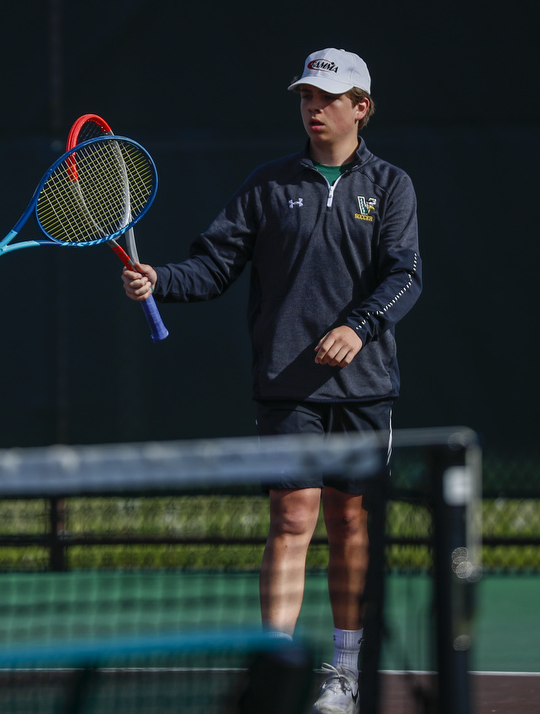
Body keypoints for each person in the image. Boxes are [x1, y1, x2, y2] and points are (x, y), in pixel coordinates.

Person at [121, 49, 421, 714]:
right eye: (307, 96)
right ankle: (274, 671)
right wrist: (161, 281)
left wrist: (359, 327)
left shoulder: (392, 186)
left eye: (329, 97)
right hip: (287, 387)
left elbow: (404, 276)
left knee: (350, 522)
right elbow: (213, 266)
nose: (314, 108)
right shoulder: (266, 186)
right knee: (292, 519)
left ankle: (346, 669)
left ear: (361, 107)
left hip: (366, 389)